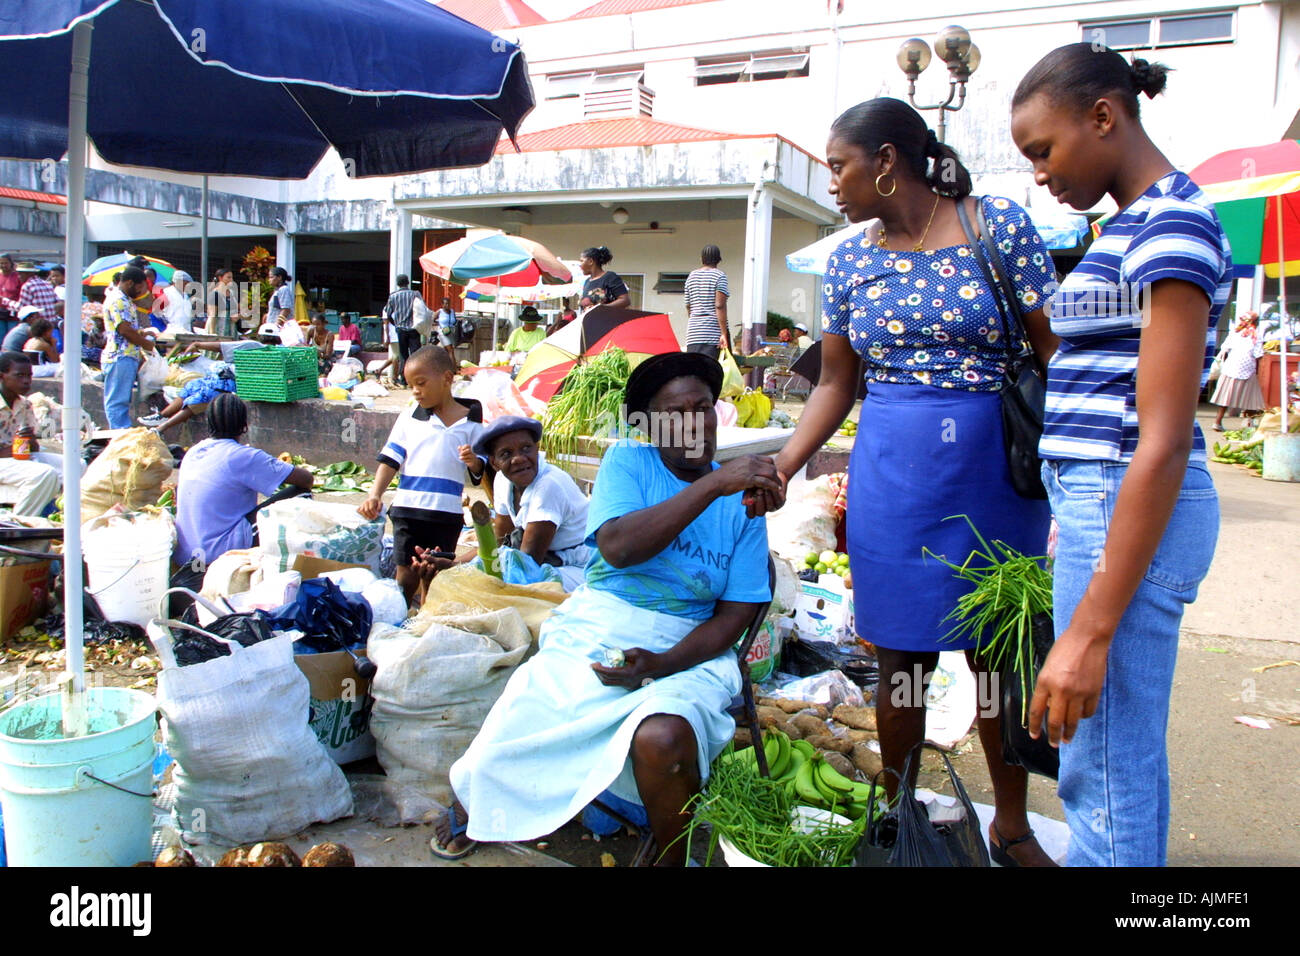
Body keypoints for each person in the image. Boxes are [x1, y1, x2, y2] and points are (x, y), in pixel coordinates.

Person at [757, 97, 1060, 866]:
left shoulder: (997, 228)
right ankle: (896, 814)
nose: (832, 183)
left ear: (887, 161)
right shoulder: (851, 259)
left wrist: (1082, 469)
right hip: (892, 476)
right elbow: (834, 382)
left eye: (839, 166)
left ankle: (1012, 824)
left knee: (997, 652)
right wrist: (786, 466)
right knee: (900, 660)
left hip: (993, 472)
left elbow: (1052, 352)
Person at [1010, 44, 1230, 868]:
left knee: (1097, 766)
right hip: (1100, 501)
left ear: (1104, 117)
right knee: (1114, 758)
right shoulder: (1134, 221)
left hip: (1124, 497)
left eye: (1044, 150)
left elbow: (1164, 435)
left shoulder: (1172, 220)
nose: (1039, 173)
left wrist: (1090, 632)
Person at [430, 352, 779, 865]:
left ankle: (670, 855)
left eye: (702, 407)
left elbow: (735, 617)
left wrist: (661, 665)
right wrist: (711, 485)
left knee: (663, 733)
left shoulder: (745, 501)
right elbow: (618, 548)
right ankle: (479, 801)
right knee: (532, 705)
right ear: (650, 426)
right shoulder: (629, 462)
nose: (693, 423)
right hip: (601, 624)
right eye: (674, 413)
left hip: (690, 647)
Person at [357, 346, 485, 603]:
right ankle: (400, 612)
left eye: (421, 383)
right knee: (406, 570)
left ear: (447, 379)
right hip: (408, 510)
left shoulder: (472, 425)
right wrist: (375, 494)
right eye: (410, 385)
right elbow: (390, 459)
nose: (415, 391)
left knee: (438, 571)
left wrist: (473, 461)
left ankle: (427, 616)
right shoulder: (409, 418)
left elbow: (480, 470)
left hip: (446, 514)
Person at [174, 394, 314, 569]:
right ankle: (286, 563)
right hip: (217, 552)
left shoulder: (194, 451)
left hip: (187, 556)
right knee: (301, 494)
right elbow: (306, 480)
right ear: (244, 425)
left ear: (208, 423)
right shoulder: (243, 456)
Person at [474, 415, 591, 590]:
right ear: (494, 463)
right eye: (506, 454)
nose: (519, 459)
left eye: (526, 448)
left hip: (581, 567)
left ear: (537, 449)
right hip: (548, 562)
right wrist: (455, 562)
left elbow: (526, 565)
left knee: (522, 589)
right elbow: (498, 542)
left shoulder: (549, 485)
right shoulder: (503, 480)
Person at [0, 352, 63, 516]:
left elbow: (33, 447)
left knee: (76, 465)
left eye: (29, 375)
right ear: (2, 376)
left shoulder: (25, 405)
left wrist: (29, 440)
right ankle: (19, 523)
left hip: (15, 459)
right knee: (44, 474)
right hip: (5, 460)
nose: (26, 381)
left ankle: (61, 513)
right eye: (19, 375)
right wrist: (14, 450)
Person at [101, 265, 159, 430]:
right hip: (120, 356)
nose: (141, 291)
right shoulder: (118, 300)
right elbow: (124, 330)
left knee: (121, 400)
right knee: (117, 401)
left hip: (126, 356)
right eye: (140, 287)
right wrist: (147, 344)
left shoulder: (124, 299)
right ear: (130, 283)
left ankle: (121, 432)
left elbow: (126, 327)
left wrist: (142, 332)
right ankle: (120, 435)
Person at [1211, 312, 1265, 430]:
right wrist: (1260, 370)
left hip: (1231, 368)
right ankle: (1249, 422)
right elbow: (1258, 354)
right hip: (1247, 369)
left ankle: (1217, 422)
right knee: (1251, 398)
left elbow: (1224, 348)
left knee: (1225, 397)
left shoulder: (1234, 333)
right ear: (1254, 322)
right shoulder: (1256, 335)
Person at [683, 245, 730, 359]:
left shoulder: (691, 276)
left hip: (693, 334)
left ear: (701, 259)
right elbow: (719, 305)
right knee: (712, 373)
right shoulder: (719, 276)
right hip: (712, 334)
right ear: (719, 259)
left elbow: (688, 306)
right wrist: (723, 334)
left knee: (695, 372)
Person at [384, 274, 422, 386]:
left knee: (403, 355)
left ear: (397, 284)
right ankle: (417, 378)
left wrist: (395, 324)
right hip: (414, 329)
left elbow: (388, 313)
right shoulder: (415, 294)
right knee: (416, 355)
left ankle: (404, 379)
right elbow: (422, 310)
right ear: (408, 282)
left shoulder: (393, 296)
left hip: (400, 330)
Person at [578, 246, 630, 310]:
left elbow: (625, 300)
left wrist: (602, 308)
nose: (579, 264)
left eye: (581, 261)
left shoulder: (610, 277)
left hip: (607, 319)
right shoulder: (587, 282)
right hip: (591, 319)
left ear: (590, 261)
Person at [206, 269, 244, 337]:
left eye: (232, 277)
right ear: (220, 278)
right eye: (228, 277)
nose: (231, 280)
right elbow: (212, 316)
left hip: (231, 329)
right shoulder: (214, 294)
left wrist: (238, 316)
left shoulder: (232, 294)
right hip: (217, 329)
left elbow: (243, 309)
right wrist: (212, 335)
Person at [0, 255, 23, 341]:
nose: (3, 265)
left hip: (13, 314)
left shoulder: (17, 277)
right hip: (0, 313)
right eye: (1, 263)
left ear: (11, 263)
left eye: (6, 263)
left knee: (12, 338)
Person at [266, 266, 295, 331]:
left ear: (279, 277)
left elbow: (286, 309)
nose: (269, 280)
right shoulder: (277, 291)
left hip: (281, 328)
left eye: (271, 277)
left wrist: (277, 325)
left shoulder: (284, 289)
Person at [434, 296, 458, 361]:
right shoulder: (440, 312)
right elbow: (432, 320)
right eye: (446, 303)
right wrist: (438, 324)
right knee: (451, 351)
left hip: (451, 332)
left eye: (449, 303)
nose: (448, 305)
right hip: (443, 333)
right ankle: (454, 369)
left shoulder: (452, 311)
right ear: (442, 304)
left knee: (446, 351)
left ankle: (444, 366)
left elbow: (455, 321)